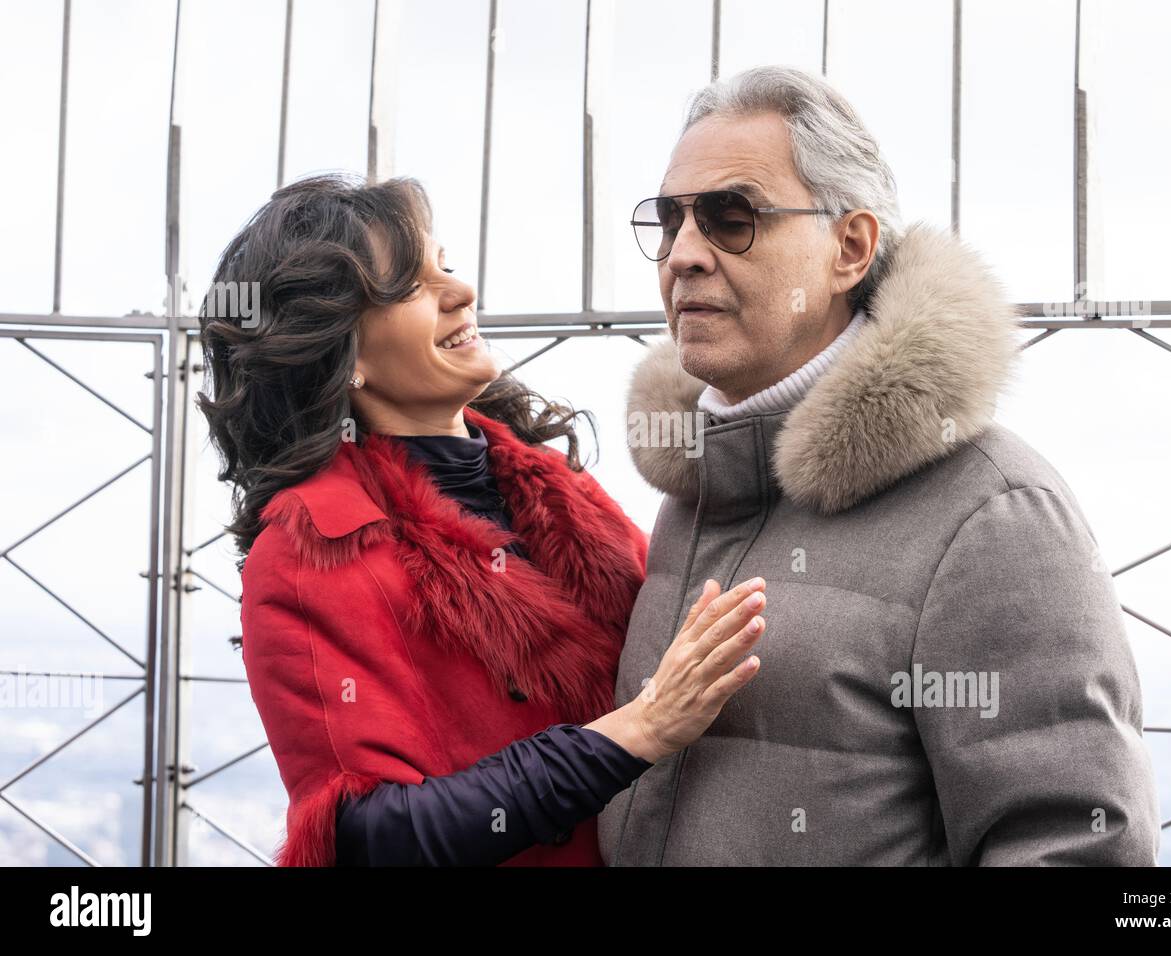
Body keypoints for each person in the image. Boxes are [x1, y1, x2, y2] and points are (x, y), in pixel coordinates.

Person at [599, 66, 1161, 866]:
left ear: (850, 248)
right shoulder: (696, 490)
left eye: (732, 217)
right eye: (669, 220)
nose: (683, 254)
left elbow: (1073, 845)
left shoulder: (993, 512)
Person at [197, 172, 767, 866]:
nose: (461, 293)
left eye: (445, 266)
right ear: (341, 355)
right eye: (408, 287)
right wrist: (639, 731)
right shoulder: (311, 548)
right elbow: (374, 837)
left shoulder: (558, 491)